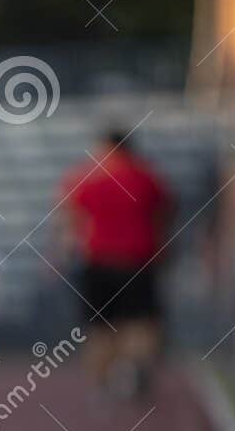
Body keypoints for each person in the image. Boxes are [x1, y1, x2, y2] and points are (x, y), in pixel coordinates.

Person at [60, 127, 173, 399]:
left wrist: (66, 251)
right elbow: (164, 214)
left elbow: (69, 216)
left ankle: (102, 384)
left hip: (98, 261)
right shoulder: (147, 176)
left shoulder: (87, 176)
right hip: (137, 261)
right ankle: (132, 369)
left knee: (99, 328)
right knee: (141, 323)